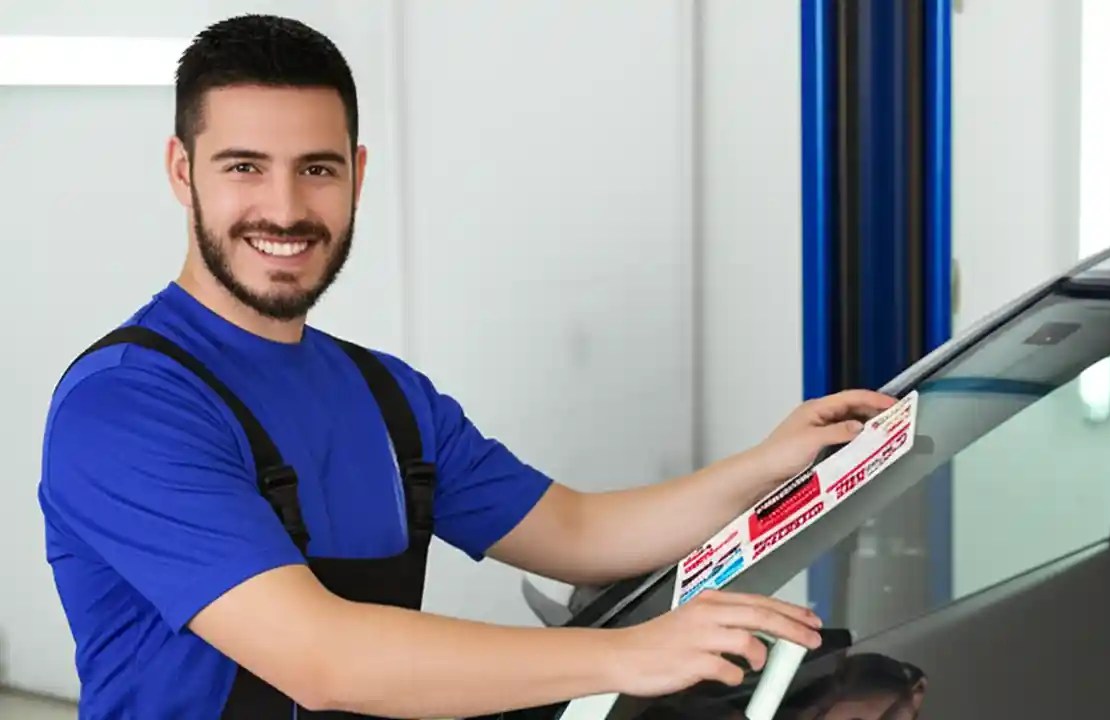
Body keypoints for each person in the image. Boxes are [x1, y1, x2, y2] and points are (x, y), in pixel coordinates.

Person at [37, 13, 896, 720]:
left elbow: (580, 535)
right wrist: (631, 653)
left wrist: (769, 463)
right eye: (244, 168)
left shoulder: (387, 398)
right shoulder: (125, 408)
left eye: (318, 169)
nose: (287, 208)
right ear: (182, 174)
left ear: (358, 176)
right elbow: (321, 659)